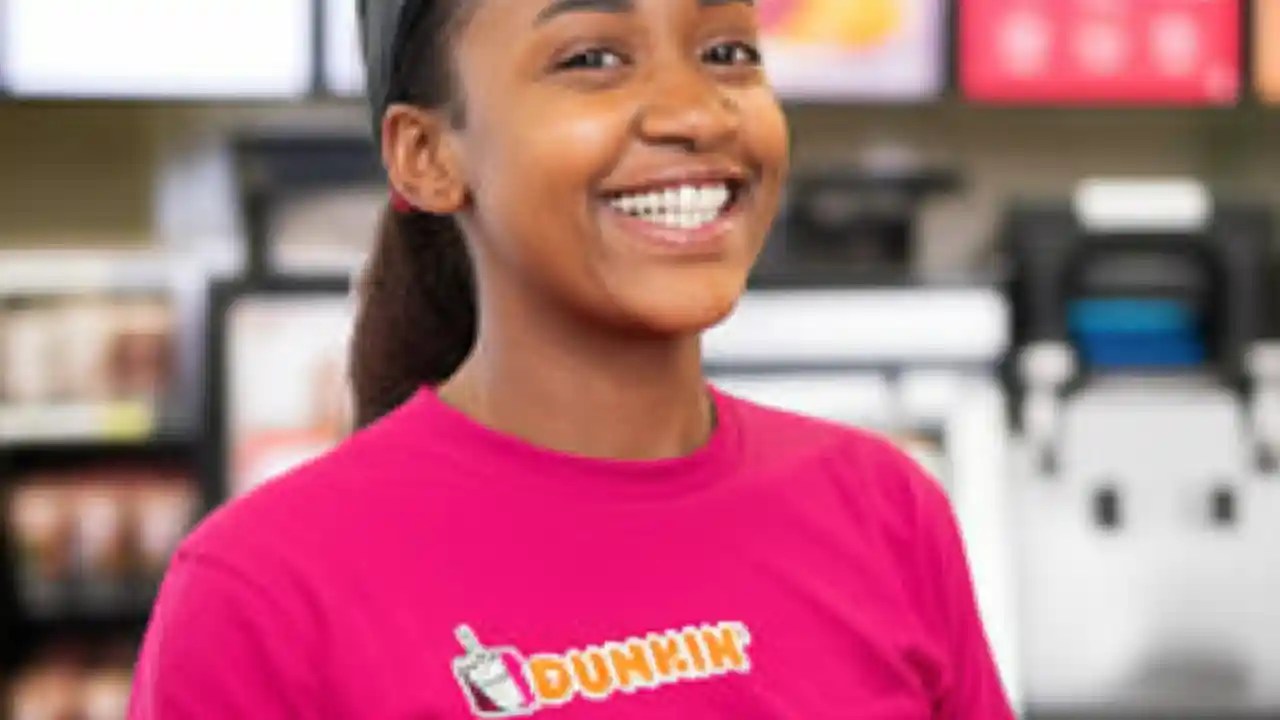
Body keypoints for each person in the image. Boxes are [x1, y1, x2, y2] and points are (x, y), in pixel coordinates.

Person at [127, 0, 1016, 717]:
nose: (694, 114)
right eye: (592, 58)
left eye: (728, 52)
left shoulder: (884, 510)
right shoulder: (262, 593)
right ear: (426, 157)